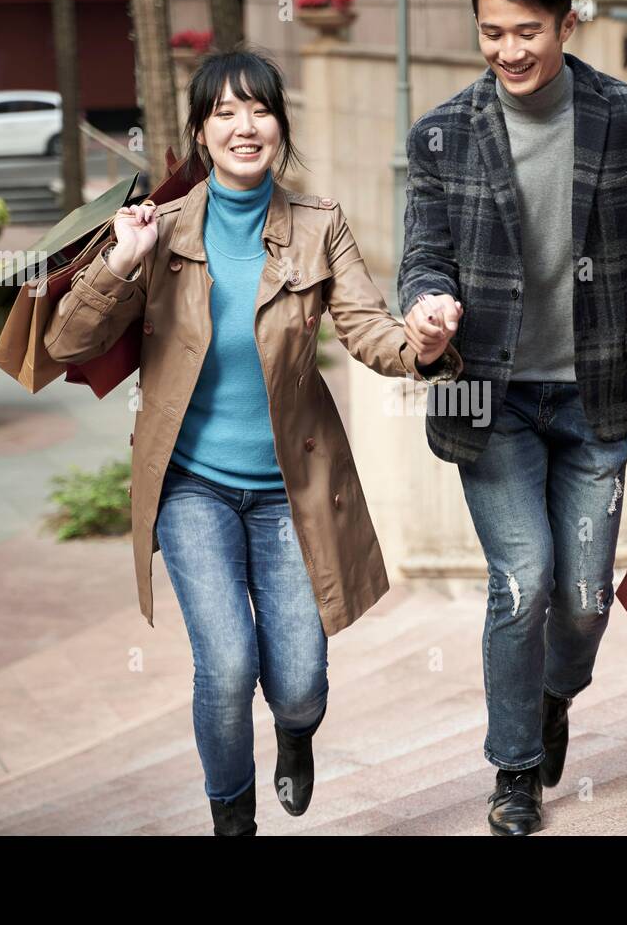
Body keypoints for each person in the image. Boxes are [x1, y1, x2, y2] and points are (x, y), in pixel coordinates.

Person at [44, 47, 463, 835]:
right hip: (191, 485)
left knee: (300, 684)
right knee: (228, 665)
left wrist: (425, 341)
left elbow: (373, 333)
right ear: (201, 133)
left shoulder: (320, 225)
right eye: (225, 113)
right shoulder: (156, 231)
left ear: (281, 125)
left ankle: (296, 735)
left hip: (288, 490)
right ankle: (231, 816)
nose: (245, 126)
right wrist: (120, 264)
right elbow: (67, 341)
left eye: (260, 110)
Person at [398, 0, 627, 835]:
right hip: (489, 399)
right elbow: (422, 256)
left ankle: (555, 695)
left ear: (567, 21)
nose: (509, 51)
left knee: (586, 596)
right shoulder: (442, 134)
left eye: (526, 31)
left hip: (593, 397)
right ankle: (515, 769)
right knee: (523, 583)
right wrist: (426, 306)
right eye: (492, 33)